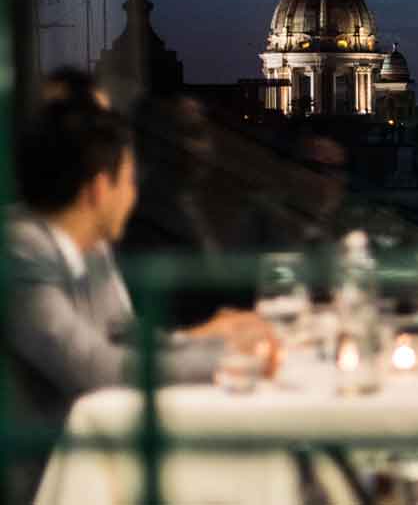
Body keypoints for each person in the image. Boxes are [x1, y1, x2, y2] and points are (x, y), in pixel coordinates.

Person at [5, 99, 274, 502]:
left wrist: (212, 338)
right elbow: (97, 368)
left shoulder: (88, 245)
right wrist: (229, 361)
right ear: (98, 188)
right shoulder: (19, 249)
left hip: (95, 454)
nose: (134, 196)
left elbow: (124, 335)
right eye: (129, 181)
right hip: (40, 476)